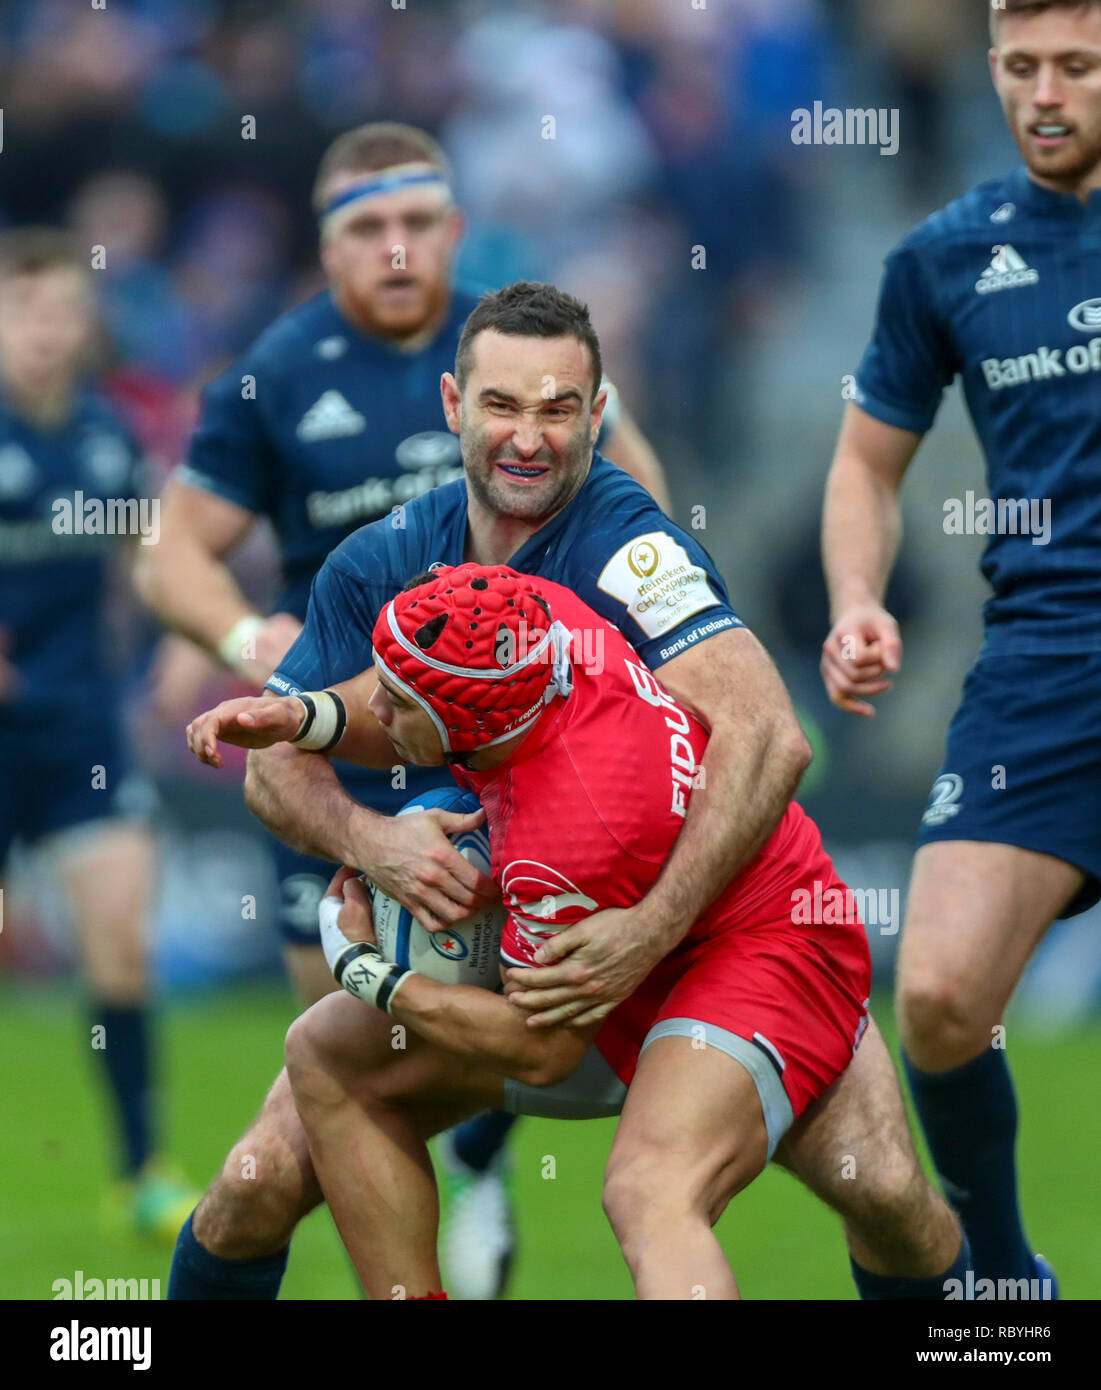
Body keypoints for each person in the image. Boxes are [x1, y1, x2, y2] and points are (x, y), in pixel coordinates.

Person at [170, 279, 966, 1302]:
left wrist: (649, 925)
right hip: (548, 940)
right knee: (258, 1172)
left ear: (599, 415)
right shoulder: (387, 558)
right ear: (454, 404)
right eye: (503, 405)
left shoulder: (630, 551)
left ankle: (994, 1318)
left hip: (712, 939)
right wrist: (376, 844)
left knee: (889, 1193)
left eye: (558, 409)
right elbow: (285, 760)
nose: (529, 437)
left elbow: (768, 737)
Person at [140, 123, 669, 1299]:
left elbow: (645, 513)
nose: (395, 250)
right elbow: (166, 554)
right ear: (323, 246)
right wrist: (245, 643)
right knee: (305, 1136)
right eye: (365, 229)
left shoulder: (525, 351)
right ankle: (461, 1175)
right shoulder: (274, 372)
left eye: (417, 223)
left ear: (455, 229)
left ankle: (477, 1162)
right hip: (340, 768)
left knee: (343, 1106)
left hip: (518, 787)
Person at [818, 0, 1101, 1298]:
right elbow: (867, 465)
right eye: (1023, 67)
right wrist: (857, 596)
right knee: (934, 998)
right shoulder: (945, 255)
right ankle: (998, 1284)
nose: (1046, 94)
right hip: (1046, 659)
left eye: (1078, 67)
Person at [0, 227, 196, 1242]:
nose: (45, 331)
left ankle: (143, 1171)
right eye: (25, 310)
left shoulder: (108, 436)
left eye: (62, 312)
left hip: (80, 726)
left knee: (121, 941)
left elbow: (156, 554)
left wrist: (179, 640)